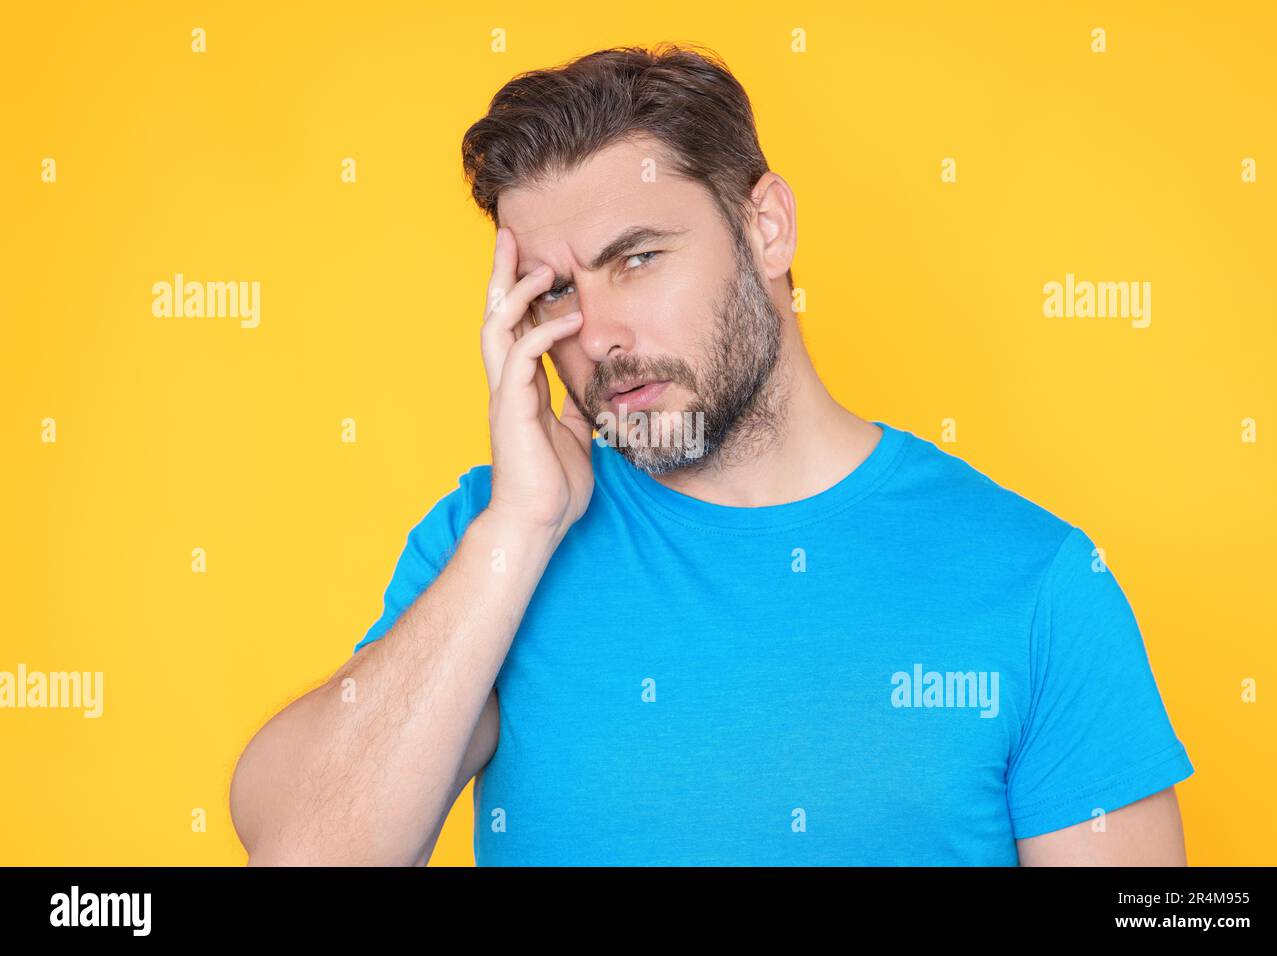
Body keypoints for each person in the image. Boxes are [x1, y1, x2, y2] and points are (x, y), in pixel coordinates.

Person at [230, 43, 1193, 866]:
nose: (598, 334)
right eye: (553, 293)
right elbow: (307, 849)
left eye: (637, 259)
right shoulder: (493, 546)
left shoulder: (1037, 580)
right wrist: (517, 534)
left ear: (765, 227)